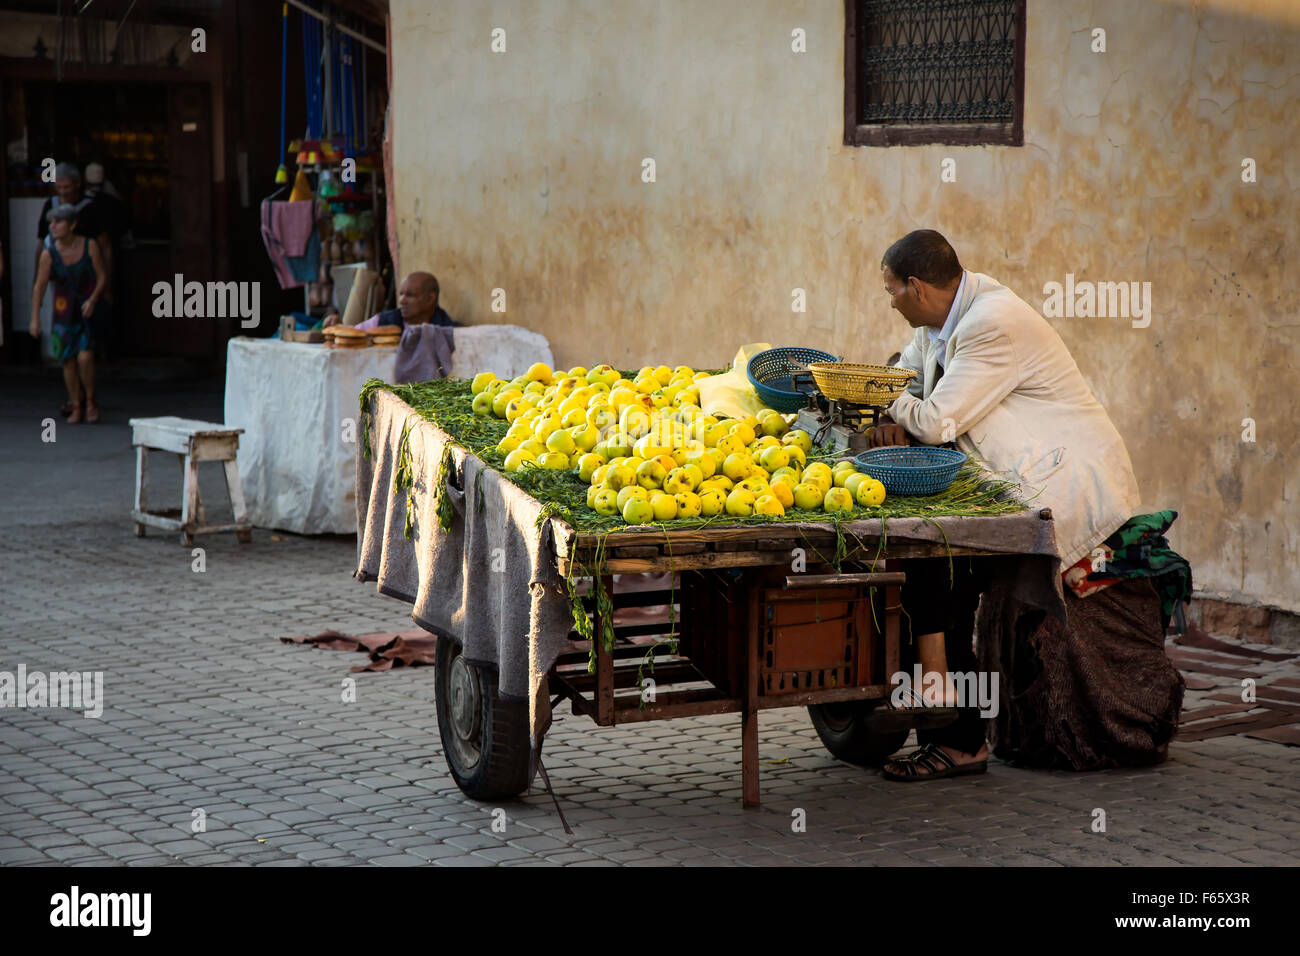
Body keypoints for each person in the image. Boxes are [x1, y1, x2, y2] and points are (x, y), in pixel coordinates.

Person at [867, 229, 1184, 780]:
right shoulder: (942, 321)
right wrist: (893, 393)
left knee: (942, 570)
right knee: (935, 573)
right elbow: (913, 374)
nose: (889, 300)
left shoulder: (993, 322)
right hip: (1012, 485)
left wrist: (878, 395)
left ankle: (957, 733)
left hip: (1060, 487)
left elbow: (938, 420)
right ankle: (945, 710)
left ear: (916, 287)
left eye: (891, 290)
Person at [30, 206, 107, 424]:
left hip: (85, 310)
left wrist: (93, 299)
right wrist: (35, 317)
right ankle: (76, 404)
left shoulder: (89, 245)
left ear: (72, 224)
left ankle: (90, 400)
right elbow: (40, 286)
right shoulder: (49, 253)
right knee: (67, 360)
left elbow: (102, 277)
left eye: (58, 222)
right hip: (63, 313)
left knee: (85, 356)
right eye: (51, 223)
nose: (53, 227)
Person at [322, 271, 458, 331]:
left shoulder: (448, 330)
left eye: (410, 295)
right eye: (401, 294)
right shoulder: (384, 321)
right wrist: (338, 326)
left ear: (430, 299)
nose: (402, 300)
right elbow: (356, 332)